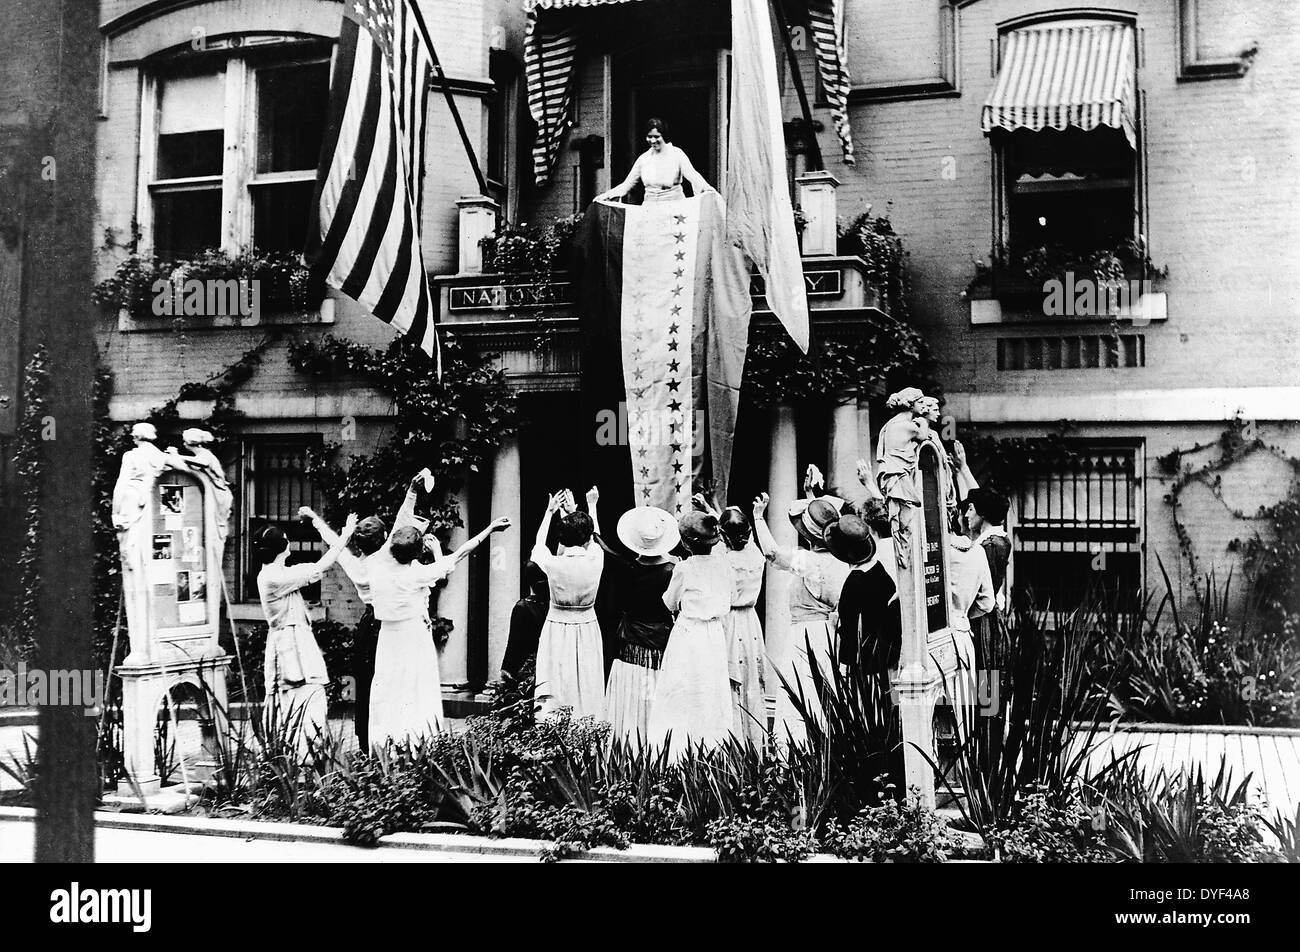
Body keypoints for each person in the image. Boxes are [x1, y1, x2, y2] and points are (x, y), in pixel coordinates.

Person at [298, 469, 430, 751]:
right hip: (391, 626)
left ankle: (367, 743)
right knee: (396, 682)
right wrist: (412, 490)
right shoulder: (387, 558)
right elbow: (402, 522)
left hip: (368, 626)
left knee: (369, 685)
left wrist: (314, 519)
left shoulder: (357, 564)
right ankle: (400, 741)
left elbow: (335, 541)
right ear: (383, 539)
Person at [367, 515, 511, 748]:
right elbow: (460, 554)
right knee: (418, 688)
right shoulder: (416, 574)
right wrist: (490, 527)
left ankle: (386, 745)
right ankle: (418, 743)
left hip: (389, 637)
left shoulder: (376, 568)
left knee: (389, 688)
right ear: (416, 553)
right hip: (413, 636)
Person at [751, 487, 850, 743]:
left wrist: (759, 517)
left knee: (802, 689)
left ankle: (800, 748)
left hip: (805, 635)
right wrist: (811, 494)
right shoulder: (843, 560)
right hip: (829, 633)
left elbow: (771, 553)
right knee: (822, 692)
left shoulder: (808, 561)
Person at [255, 513, 358, 754]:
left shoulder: (279, 574)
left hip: (294, 644)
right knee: (301, 698)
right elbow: (322, 565)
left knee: (305, 697)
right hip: (290, 647)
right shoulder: (274, 577)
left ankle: (303, 755)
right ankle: (300, 757)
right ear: (282, 547)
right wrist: (345, 535)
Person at [647, 511, 734, 758]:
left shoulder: (684, 568)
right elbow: (730, 597)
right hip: (714, 634)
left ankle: (678, 749)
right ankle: (710, 747)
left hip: (689, 633)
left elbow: (669, 602)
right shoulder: (723, 564)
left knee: (682, 687)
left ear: (685, 543)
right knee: (709, 688)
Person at [113, 422, 193, 661]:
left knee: (133, 568)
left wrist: (115, 514)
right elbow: (185, 467)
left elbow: (120, 485)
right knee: (146, 570)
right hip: (151, 512)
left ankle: (141, 647)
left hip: (131, 509)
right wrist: (176, 455)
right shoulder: (158, 456)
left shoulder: (132, 456)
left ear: (136, 437)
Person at [599, 506, 679, 746]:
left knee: (631, 695)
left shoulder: (625, 568)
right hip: (660, 646)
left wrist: (593, 508)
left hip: (630, 645)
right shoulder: (674, 572)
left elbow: (601, 547)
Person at [531, 487, 606, 720]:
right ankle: (588, 726)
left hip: (557, 627)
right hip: (587, 626)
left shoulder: (553, 563)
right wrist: (590, 506)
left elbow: (538, 545)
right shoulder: (596, 558)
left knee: (556, 677)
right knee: (587, 677)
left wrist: (549, 512)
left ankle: (552, 727)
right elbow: (595, 539)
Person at [718, 505, 769, 748]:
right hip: (750, 622)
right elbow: (739, 536)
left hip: (729, 621)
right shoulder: (755, 555)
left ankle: (734, 743)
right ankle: (753, 742)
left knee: (731, 683)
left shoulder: (722, 561)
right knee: (750, 681)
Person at [831, 513, 902, 676]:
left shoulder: (854, 582)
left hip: (865, 666)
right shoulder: (880, 570)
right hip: (886, 658)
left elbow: (850, 630)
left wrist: (845, 666)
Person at [944, 532, 995, 742]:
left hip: (933, 639)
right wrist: (962, 614)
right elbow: (986, 603)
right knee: (962, 714)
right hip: (963, 637)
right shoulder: (977, 551)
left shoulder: (934, 547)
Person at [597, 118, 716, 204]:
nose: (653, 141)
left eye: (657, 136)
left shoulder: (676, 154)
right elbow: (627, 184)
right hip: (651, 208)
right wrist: (606, 196)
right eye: (649, 136)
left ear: (664, 135)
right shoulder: (644, 159)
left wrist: (707, 188)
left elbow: (693, 175)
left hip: (674, 207)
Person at [170, 428, 233, 550]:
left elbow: (202, 463)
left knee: (216, 530)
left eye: (184, 442)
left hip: (219, 496)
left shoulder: (205, 455)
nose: (183, 444)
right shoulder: (201, 456)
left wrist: (178, 456)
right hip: (215, 495)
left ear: (190, 443)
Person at [500, 561, 550, 682]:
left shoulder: (523, 607)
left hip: (528, 669)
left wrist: (507, 669)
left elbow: (514, 643)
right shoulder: (554, 605)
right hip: (549, 665)